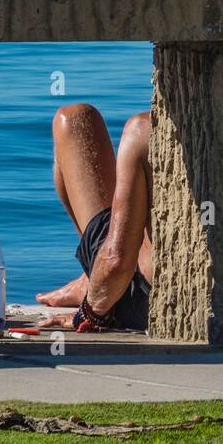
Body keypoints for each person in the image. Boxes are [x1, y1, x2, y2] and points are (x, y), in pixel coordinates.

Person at [36, 104, 153, 332]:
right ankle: (90, 278)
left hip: (141, 298)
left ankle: (93, 281)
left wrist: (90, 314)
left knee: (73, 120)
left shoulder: (145, 130)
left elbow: (116, 261)